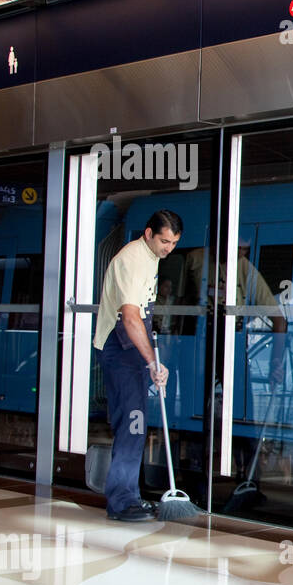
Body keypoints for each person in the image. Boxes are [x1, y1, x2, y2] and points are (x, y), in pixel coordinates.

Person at [93, 210, 181, 522]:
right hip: (120, 349)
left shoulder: (151, 257)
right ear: (148, 233)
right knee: (132, 424)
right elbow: (130, 317)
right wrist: (152, 361)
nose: (168, 248)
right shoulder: (132, 259)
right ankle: (121, 502)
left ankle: (129, 495)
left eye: (173, 243)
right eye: (164, 241)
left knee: (135, 425)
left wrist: (150, 360)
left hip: (130, 350)